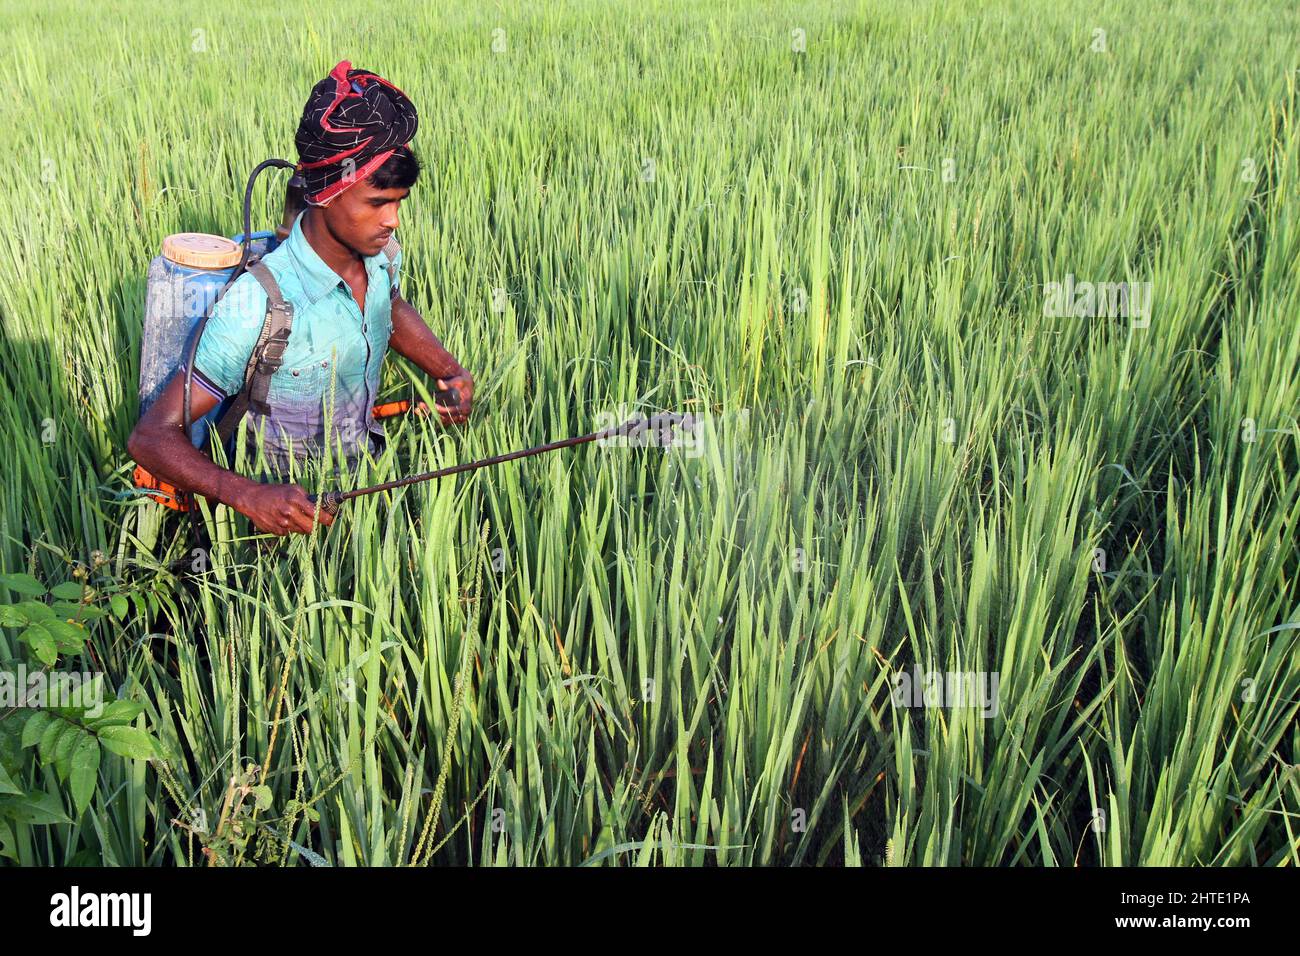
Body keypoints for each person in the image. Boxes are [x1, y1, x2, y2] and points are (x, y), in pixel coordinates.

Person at [128, 61, 473, 537]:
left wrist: (446, 368)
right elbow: (150, 437)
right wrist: (248, 496)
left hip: (364, 488)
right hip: (279, 523)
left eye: (399, 202)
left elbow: (387, 305)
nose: (393, 220)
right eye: (378, 203)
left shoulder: (378, 256)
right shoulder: (258, 304)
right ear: (328, 193)